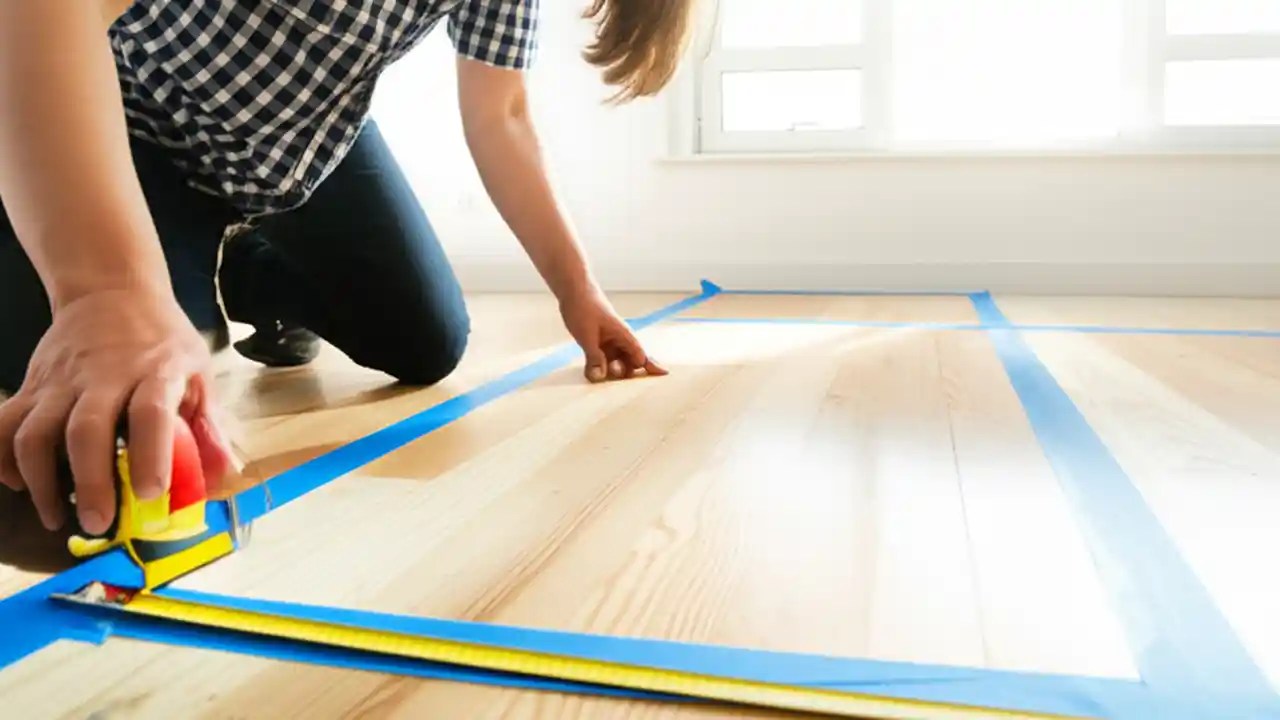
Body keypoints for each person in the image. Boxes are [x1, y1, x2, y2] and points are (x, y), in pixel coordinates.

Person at [0, 1, 696, 538]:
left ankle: (241, 272)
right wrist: (107, 291)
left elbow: (502, 113)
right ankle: (155, 267)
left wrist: (581, 292)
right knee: (90, 404)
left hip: (301, 148)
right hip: (132, 121)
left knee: (428, 341)